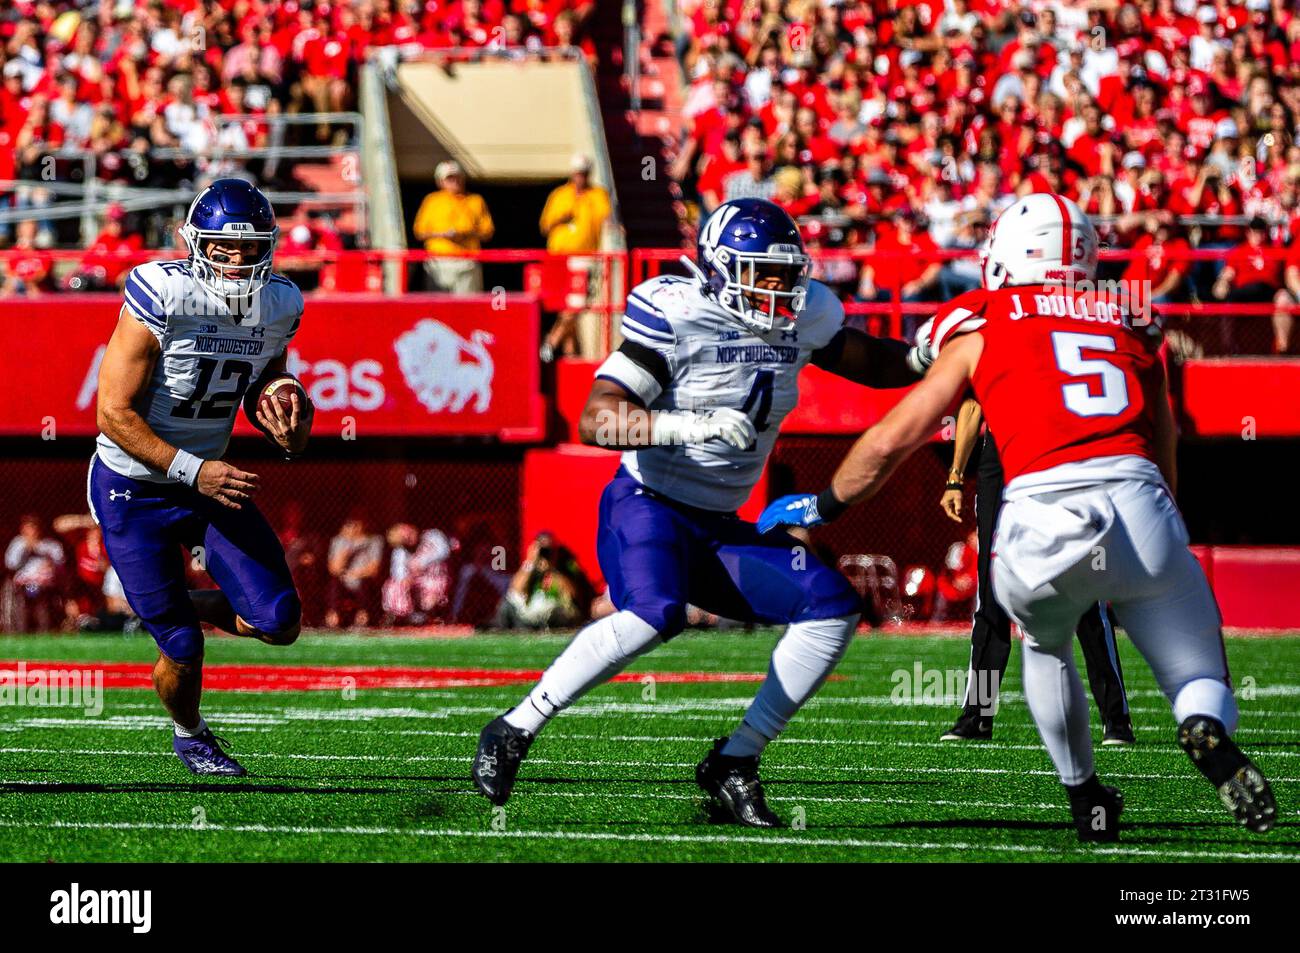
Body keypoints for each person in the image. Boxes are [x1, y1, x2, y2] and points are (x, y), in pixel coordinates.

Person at [761, 192, 1276, 841]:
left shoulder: (983, 315)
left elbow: (895, 430)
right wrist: (1161, 524)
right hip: (1139, 493)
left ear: (1005, 255)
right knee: (1198, 669)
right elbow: (1165, 436)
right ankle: (1203, 725)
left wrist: (827, 501)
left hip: (1042, 511)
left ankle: (1085, 792)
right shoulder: (1133, 318)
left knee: (1046, 643)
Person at [472, 197, 933, 827]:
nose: (778, 291)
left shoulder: (804, 316)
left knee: (832, 607)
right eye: (761, 274)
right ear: (718, 270)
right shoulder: (677, 312)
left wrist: (923, 355)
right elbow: (596, 417)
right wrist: (688, 423)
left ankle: (735, 761)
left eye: (787, 275)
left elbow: (869, 362)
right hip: (647, 505)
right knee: (657, 612)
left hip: (718, 526)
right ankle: (515, 727)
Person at [91, 178, 313, 777]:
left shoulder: (280, 302)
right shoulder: (161, 291)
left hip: (207, 480)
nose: (237, 261)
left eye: (249, 247)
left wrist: (284, 404)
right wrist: (195, 471)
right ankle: (190, 734)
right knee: (184, 650)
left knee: (279, 622)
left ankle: (173, 602)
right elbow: (112, 413)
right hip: (133, 485)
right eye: (222, 247)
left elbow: (264, 373)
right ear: (196, 244)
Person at [937, 396, 1133, 744]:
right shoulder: (985, 341)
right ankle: (977, 715)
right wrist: (955, 477)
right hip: (1002, 454)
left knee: (1083, 585)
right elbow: (972, 405)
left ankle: (1115, 718)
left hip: (1056, 448)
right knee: (991, 592)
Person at [538, 153, 612, 361]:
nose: (580, 177)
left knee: (577, 304)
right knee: (564, 305)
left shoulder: (598, 195)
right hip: (559, 259)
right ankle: (571, 355)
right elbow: (545, 226)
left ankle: (551, 341)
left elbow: (607, 221)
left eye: (584, 173)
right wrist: (561, 218)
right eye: (578, 173)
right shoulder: (560, 195)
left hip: (585, 257)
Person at [412, 160, 495, 293]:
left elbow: (487, 232)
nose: (454, 181)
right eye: (449, 178)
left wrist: (465, 234)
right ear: (440, 181)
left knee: (468, 306)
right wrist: (442, 235)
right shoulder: (431, 201)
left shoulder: (476, 200)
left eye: (457, 177)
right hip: (439, 262)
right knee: (438, 306)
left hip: (467, 262)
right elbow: (419, 232)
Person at [4, 515, 65, 631]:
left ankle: (45, 629)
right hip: (23, 584)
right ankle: (21, 630)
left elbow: (60, 563)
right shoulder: (17, 543)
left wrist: (50, 563)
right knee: (20, 600)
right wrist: (26, 548)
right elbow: (11, 564)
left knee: (43, 606)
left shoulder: (50, 544)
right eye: (27, 527)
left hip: (45, 585)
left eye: (33, 527)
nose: (31, 531)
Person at [325, 516, 383, 628]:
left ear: (364, 524)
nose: (353, 526)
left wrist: (355, 574)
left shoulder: (374, 540)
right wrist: (348, 547)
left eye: (357, 523)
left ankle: (363, 617)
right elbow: (334, 569)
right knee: (334, 583)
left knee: (364, 583)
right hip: (344, 580)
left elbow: (374, 569)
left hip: (363, 578)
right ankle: (333, 618)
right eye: (349, 523)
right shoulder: (339, 541)